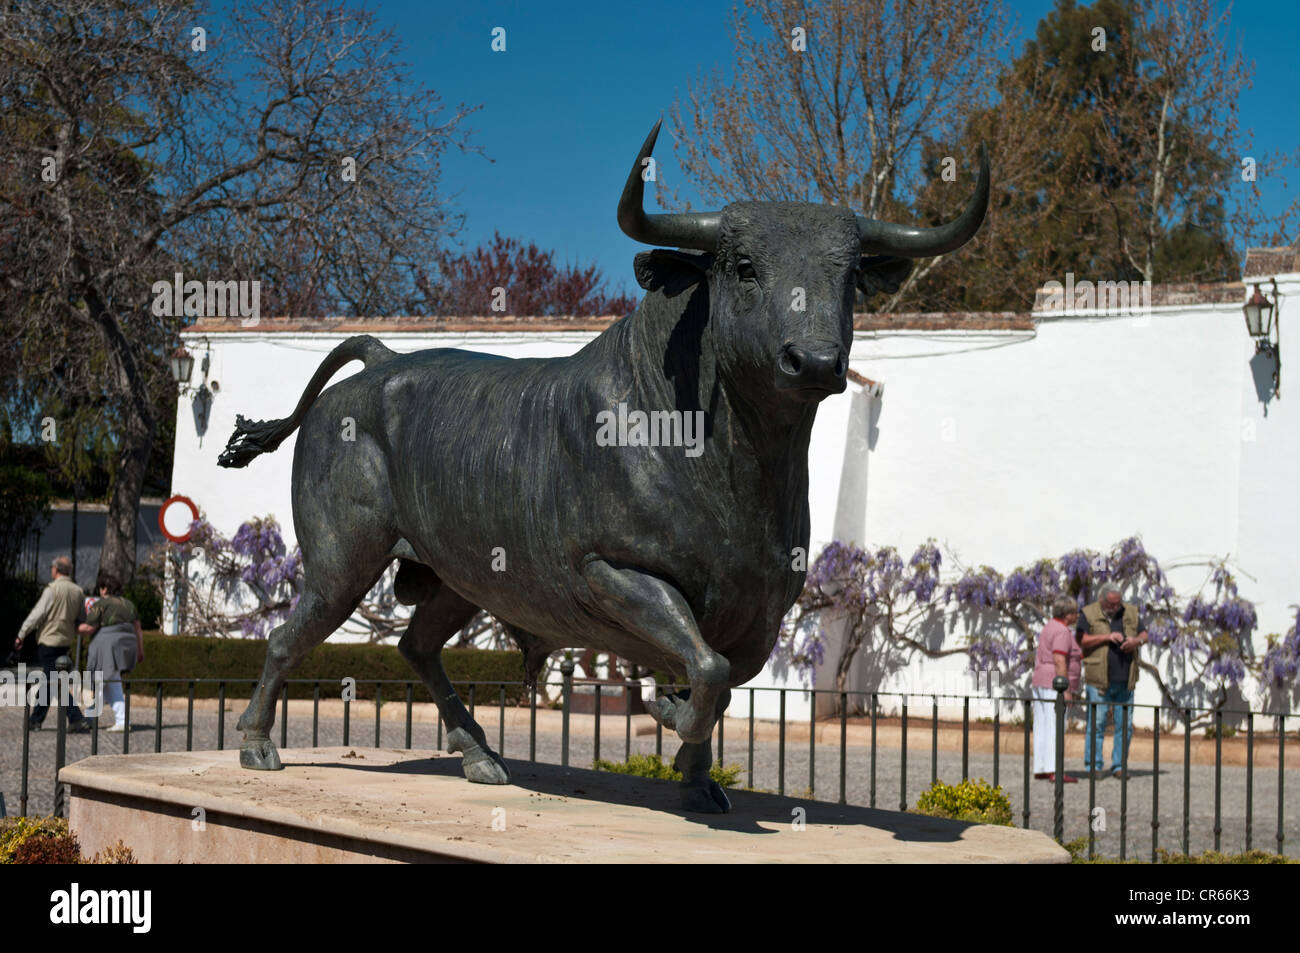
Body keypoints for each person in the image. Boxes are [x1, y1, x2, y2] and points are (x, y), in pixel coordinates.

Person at [1076, 581, 1149, 778]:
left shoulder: (1131, 612)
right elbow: (1081, 640)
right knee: (1097, 724)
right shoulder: (1089, 612)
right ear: (1102, 600)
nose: (1116, 608)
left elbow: (1144, 633)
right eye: (1111, 604)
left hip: (1126, 679)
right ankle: (1094, 766)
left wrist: (1136, 641)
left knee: (1124, 725)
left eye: (1118, 604)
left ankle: (1118, 766)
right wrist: (1107, 637)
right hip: (1098, 680)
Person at [14, 556, 89, 731]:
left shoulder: (52, 590)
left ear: (56, 569)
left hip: (48, 641)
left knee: (53, 681)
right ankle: (36, 720)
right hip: (65, 641)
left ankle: (75, 718)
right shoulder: (78, 591)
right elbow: (81, 618)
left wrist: (21, 634)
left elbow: (37, 614)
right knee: (52, 680)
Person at [78, 571, 145, 733]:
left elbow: (89, 627)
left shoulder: (101, 604)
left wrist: (71, 628)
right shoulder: (129, 604)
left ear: (104, 589)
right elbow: (138, 628)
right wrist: (140, 650)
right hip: (127, 646)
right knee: (112, 684)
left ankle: (91, 719)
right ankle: (120, 720)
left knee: (98, 683)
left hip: (106, 648)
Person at [1032, 595, 1082, 782]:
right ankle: (1055, 770)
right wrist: (1066, 689)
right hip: (1053, 683)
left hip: (1040, 679)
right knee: (1055, 726)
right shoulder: (1062, 631)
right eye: (1074, 612)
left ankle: (1041, 767)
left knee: (1042, 725)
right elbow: (1060, 659)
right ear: (1067, 614)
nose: (1077, 615)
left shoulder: (1049, 626)